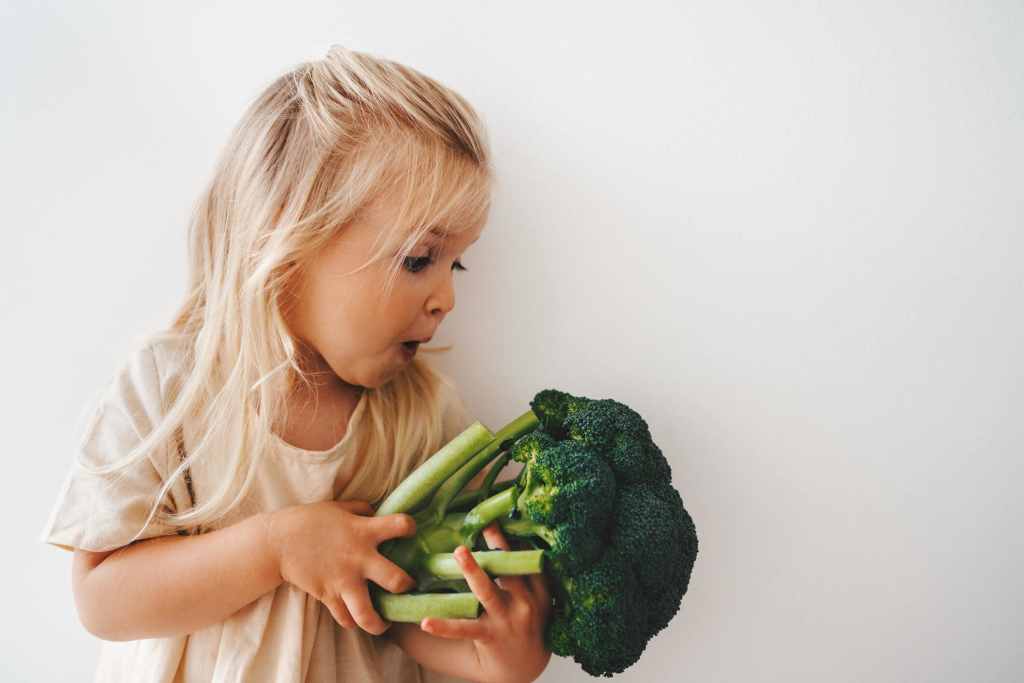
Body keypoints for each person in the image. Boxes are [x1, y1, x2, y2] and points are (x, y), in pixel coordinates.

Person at [39, 45, 552, 683]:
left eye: (457, 264)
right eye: (419, 259)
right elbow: (103, 601)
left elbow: (415, 614)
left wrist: (500, 658)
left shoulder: (427, 419)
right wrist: (275, 548)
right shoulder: (170, 386)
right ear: (287, 240)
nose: (446, 298)